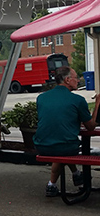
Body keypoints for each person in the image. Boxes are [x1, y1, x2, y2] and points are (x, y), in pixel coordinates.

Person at [34, 66, 99, 197]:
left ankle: (54, 184)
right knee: (63, 145)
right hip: (65, 146)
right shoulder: (77, 100)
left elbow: (55, 118)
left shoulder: (41, 98)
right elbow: (91, 126)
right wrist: (97, 104)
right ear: (68, 80)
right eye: (76, 78)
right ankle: (75, 174)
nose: (78, 81)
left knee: (59, 142)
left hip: (41, 145)